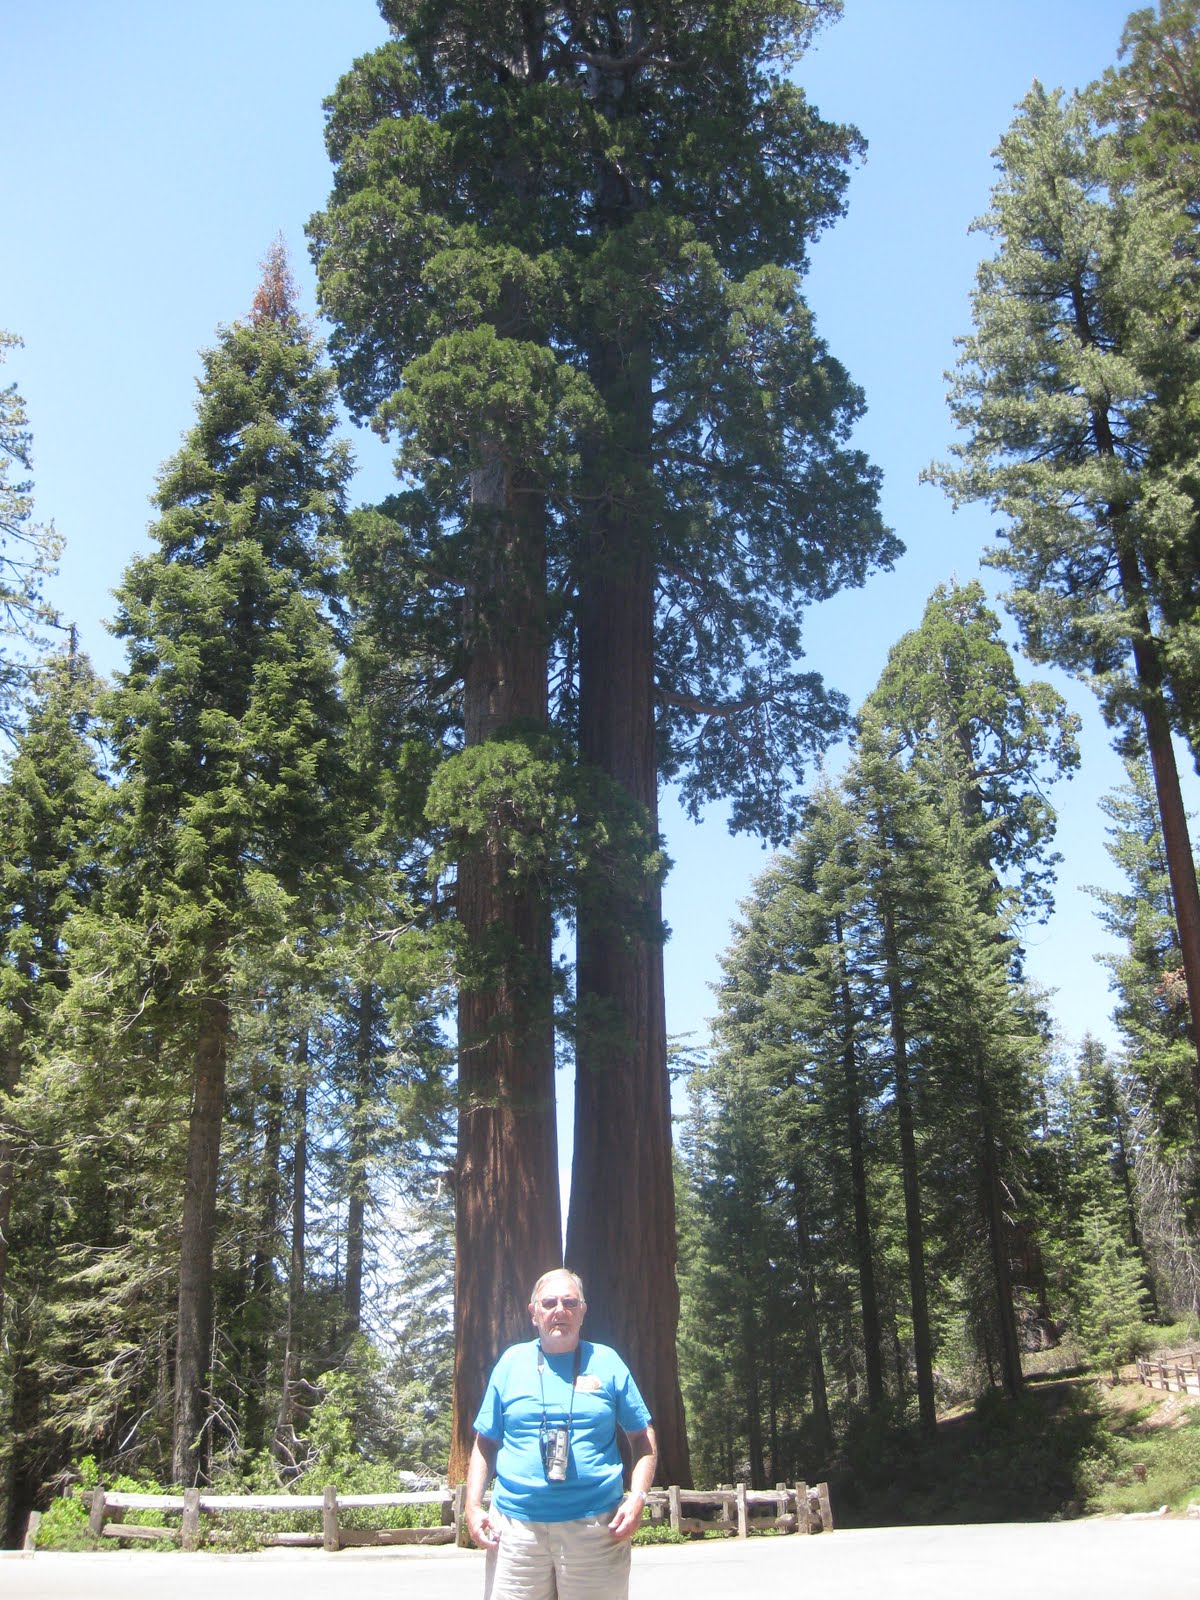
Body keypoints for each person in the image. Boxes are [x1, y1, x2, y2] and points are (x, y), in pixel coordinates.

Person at [464, 1267, 658, 1600]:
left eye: (570, 1302)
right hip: (515, 1531)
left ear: (583, 1311)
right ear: (533, 1312)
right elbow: (485, 1442)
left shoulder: (607, 1362)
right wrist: (471, 1506)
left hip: (595, 1528)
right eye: (549, 1302)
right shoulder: (510, 1363)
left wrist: (638, 1496)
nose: (559, 1311)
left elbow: (643, 1439)